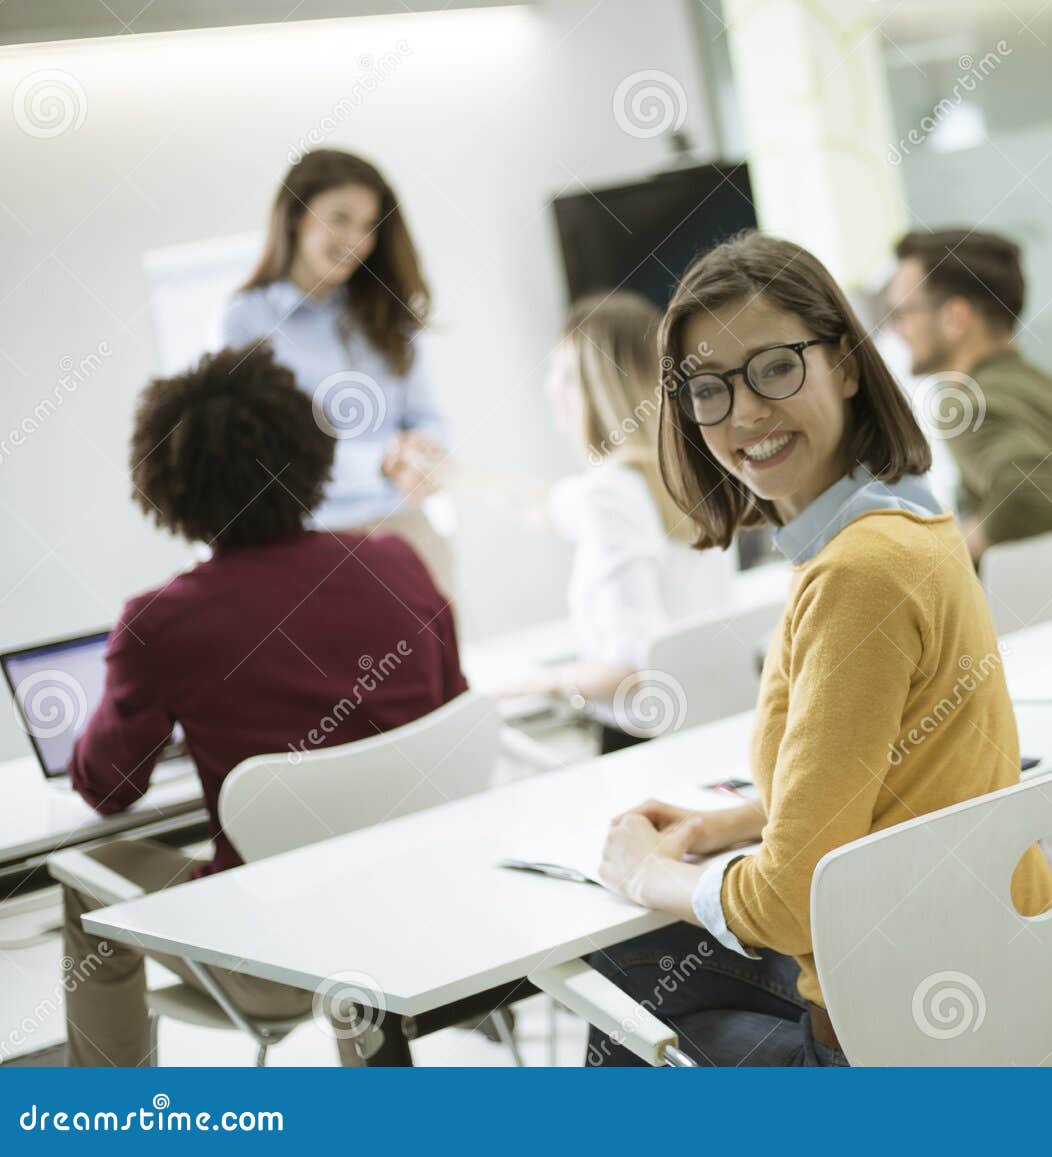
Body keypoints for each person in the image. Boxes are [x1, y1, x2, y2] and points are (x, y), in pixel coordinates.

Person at [579, 232, 1052, 1066]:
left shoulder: (858, 574)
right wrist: (723, 823)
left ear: (844, 363)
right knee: (638, 963)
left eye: (774, 368)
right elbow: (885, 778)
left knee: (620, 987)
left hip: (905, 1038)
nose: (744, 415)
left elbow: (795, 902)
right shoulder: (909, 518)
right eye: (708, 390)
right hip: (995, 974)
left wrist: (643, 873)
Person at [62, 344, 467, 1067]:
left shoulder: (160, 622)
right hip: (422, 914)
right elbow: (450, 717)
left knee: (85, 875)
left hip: (272, 957)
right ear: (309, 456)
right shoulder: (397, 561)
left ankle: (104, 1122)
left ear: (169, 487)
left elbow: (107, 786)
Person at [398, 291, 735, 752]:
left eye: (564, 376)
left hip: (643, 744)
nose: (549, 389)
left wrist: (537, 683)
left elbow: (632, 670)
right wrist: (450, 474)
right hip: (708, 729)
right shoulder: (690, 479)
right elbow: (540, 505)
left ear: (600, 390)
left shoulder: (610, 494)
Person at [222, 148, 454, 596]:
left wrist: (423, 455)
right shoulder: (246, 322)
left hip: (406, 533)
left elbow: (426, 415)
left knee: (441, 664)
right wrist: (382, 462)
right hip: (311, 544)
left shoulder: (387, 312)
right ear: (295, 216)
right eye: (339, 218)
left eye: (369, 226)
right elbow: (266, 453)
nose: (356, 241)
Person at [885, 229, 1052, 561]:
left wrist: (943, 552)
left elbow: (1035, 497)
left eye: (901, 315)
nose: (894, 330)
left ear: (955, 319)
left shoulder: (966, 405)